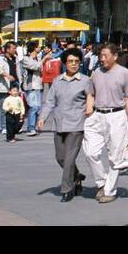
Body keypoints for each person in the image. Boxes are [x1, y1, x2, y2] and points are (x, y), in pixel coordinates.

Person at [82, 43, 128, 204]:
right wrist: (89, 110)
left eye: (105, 55)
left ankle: (109, 190)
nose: (102, 58)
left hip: (117, 115)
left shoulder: (124, 73)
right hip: (97, 115)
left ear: (115, 56)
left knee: (115, 157)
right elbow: (91, 93)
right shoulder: (96, 72)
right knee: (90, 152)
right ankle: (101, 181)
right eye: (100, 55)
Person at [38, 47, 90, 202]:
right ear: (65, 63)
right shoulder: (57, 80)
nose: (74, 64)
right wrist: (43, 117)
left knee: (68, 159)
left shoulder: (85, 81)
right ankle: (77, 175)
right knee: (60, 157)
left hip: (76, 125)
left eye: (76, 61)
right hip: (59, 123)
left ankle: (67, 189)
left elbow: (91, 99)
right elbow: (50, 101)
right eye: (70, 61)